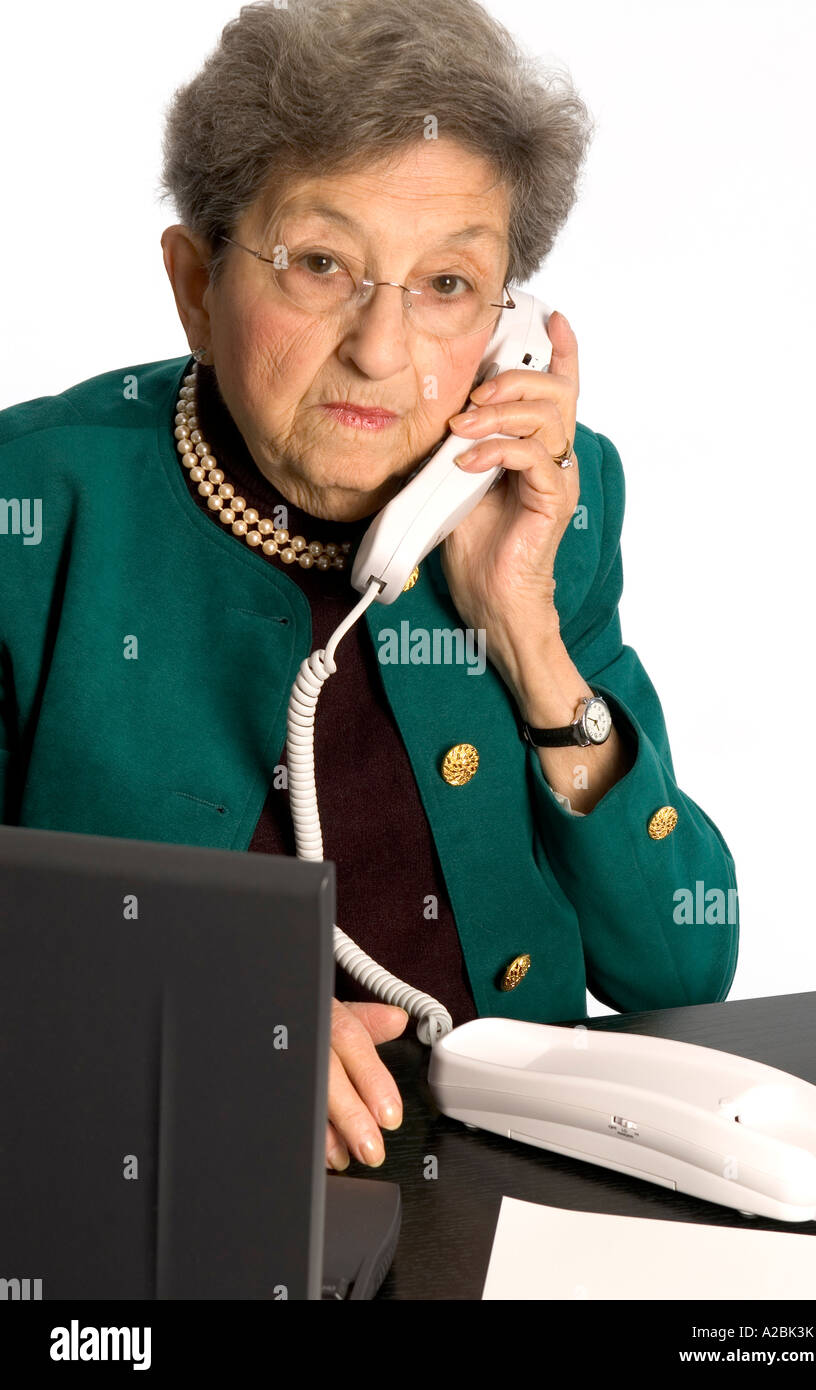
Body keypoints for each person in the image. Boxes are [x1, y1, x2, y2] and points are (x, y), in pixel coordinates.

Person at [0, 0, 738, 1176]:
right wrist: (180, 1008)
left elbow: (681, 968)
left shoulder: (544, 495)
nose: (382, 350)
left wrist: (527, 634)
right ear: (195, 285)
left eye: (447, 282)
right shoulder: (33, 507)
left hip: (516, 1184)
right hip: (164, 1180)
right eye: (320, 264)